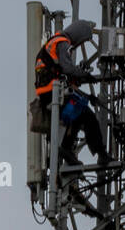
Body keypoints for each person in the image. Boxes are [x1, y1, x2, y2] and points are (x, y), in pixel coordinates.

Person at [35, 19, 109, 167]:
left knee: (76, 116)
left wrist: (87, 96)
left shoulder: (53, 43)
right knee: (89, 118)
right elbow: (67, 69)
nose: (79, 44)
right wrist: (83, 74)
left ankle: (67, 150)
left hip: (48, 92)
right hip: (52, 92)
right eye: (82, 41)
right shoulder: (62, 42)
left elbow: (63, 77)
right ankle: (101, 154)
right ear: (79, 34)